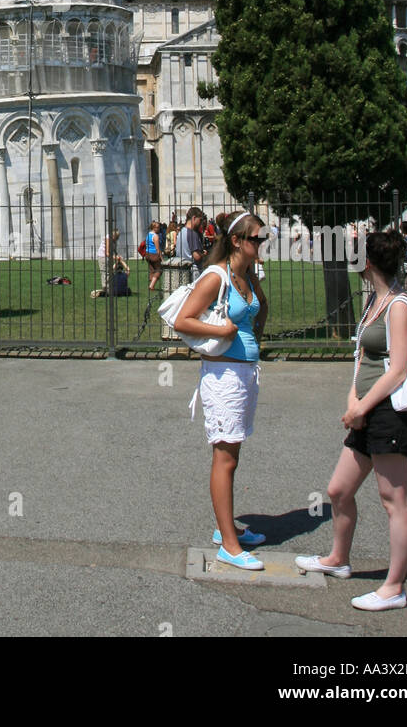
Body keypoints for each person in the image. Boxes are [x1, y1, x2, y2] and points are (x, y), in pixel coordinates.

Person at [296, 230, 407, 611]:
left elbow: (398, 370)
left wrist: (362, 408)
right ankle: (338, 559)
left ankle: (394, 587)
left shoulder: (398, 305)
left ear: (367, 263)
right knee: (338, 490)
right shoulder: (373, 300)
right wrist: (354, 397)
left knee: (394, 500)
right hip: (364, 409)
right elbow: (362, 360)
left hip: (389, 413)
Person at [174, 209, 269, 570]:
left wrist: (254, 284)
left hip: (244, 373)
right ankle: (229, 545)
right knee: (224, 457)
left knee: (233, 454)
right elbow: (184, 319)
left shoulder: (244, 274)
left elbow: (259, 312)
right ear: (237, 241)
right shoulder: (216, 276)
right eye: (255, 239)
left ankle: (225, 528)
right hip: (223, 377)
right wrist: (222, 332)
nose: (261, 244)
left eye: (262, 238)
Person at [174, 206, 206, 281]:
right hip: (193, 271)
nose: (201, 223)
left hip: (182, 268)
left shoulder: (182, 231)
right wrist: (204, 254)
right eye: (200, 220)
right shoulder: (192, 233)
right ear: (194, 218)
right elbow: (196, 256)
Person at [145, 221, 163, 291]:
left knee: (152, 270)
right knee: (159, 270)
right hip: (154, 255)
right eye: (158, 227)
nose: (159, 229)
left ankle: (151, 282)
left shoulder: (148, 234)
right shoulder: (155, 236)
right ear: (154, 228)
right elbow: (158, 249)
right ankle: (151, 285)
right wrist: (161, 258)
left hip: (147, 254)